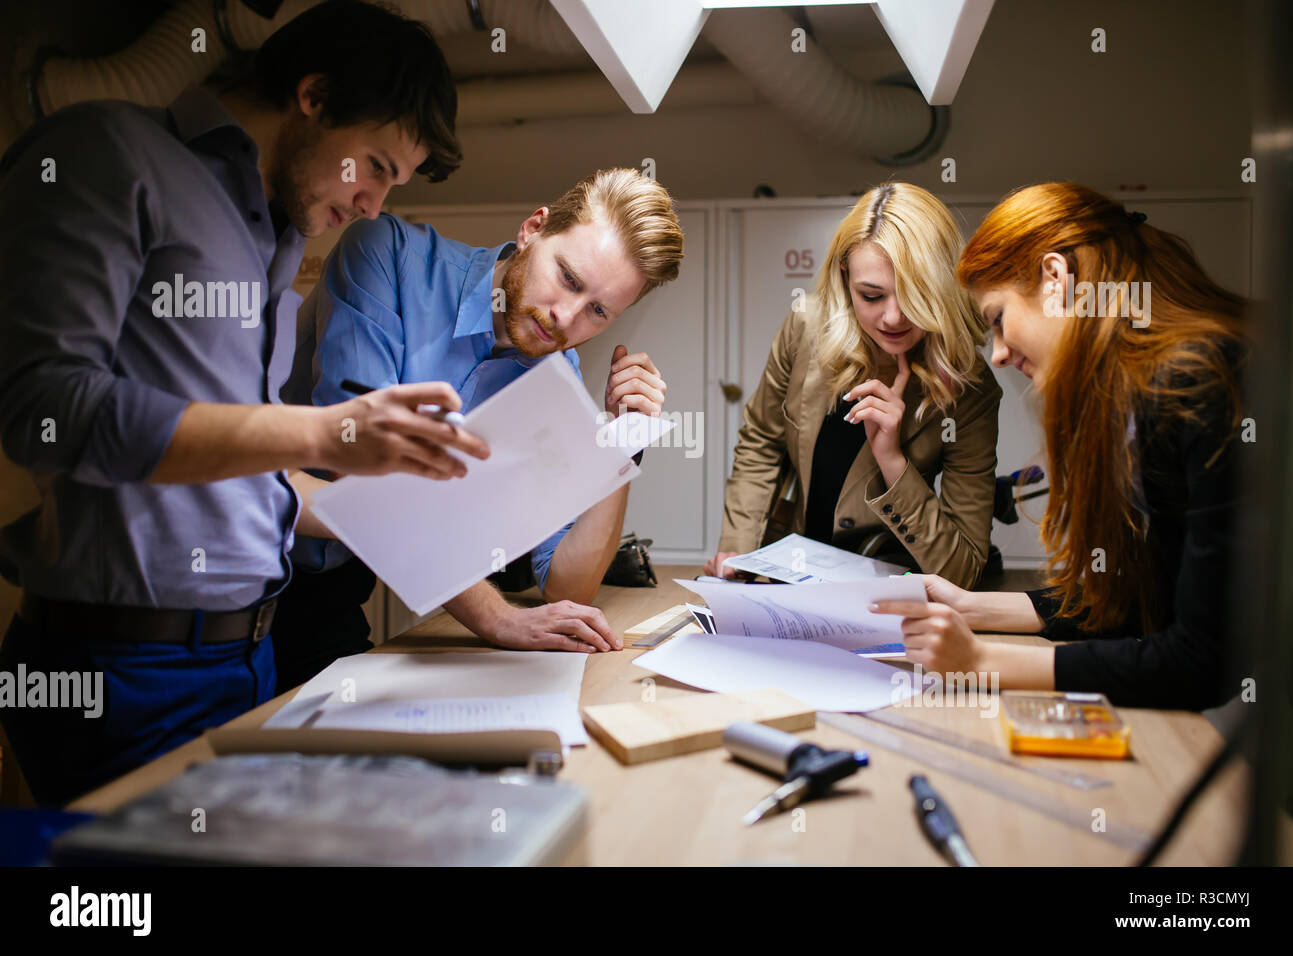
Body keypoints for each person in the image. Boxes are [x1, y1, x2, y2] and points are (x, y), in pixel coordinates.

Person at [0, 0, 489, 805]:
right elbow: (45, 408)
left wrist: (404, 507)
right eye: (373, 165)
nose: (374, 204)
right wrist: (325, 429)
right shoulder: (105, 150)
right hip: (123, 670)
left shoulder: (275, 235)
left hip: (251, 655)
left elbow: (244, 473)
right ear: (314, 96)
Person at [273, 168, 684, 689]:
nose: (565, 318)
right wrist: (495, 618)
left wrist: (623, 445)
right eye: (568, 279)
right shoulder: (387, 256)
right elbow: (360, 478)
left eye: (597, 310)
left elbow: (565, 585)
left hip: (330, 591)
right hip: (229, 569)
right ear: (533, 229)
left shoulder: (557, 375)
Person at [874, 182, 1247, 711]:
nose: (999, 355)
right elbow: (1132, 596)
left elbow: (1202, 660)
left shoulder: (1197, 380)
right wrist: (975, 608)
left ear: (1055, 279)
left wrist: (982, 662)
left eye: (998, 319)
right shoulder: (1144, 393)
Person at [705, 182, 1001, 588]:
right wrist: (736, 547)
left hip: (891, 585)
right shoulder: (806, 327)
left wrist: (892, 460)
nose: (894, 318)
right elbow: (761, 440)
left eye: (915, 296)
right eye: (872, 295)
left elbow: (962, 571)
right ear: (845, 279)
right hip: (789, 577)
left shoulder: (970, 385)